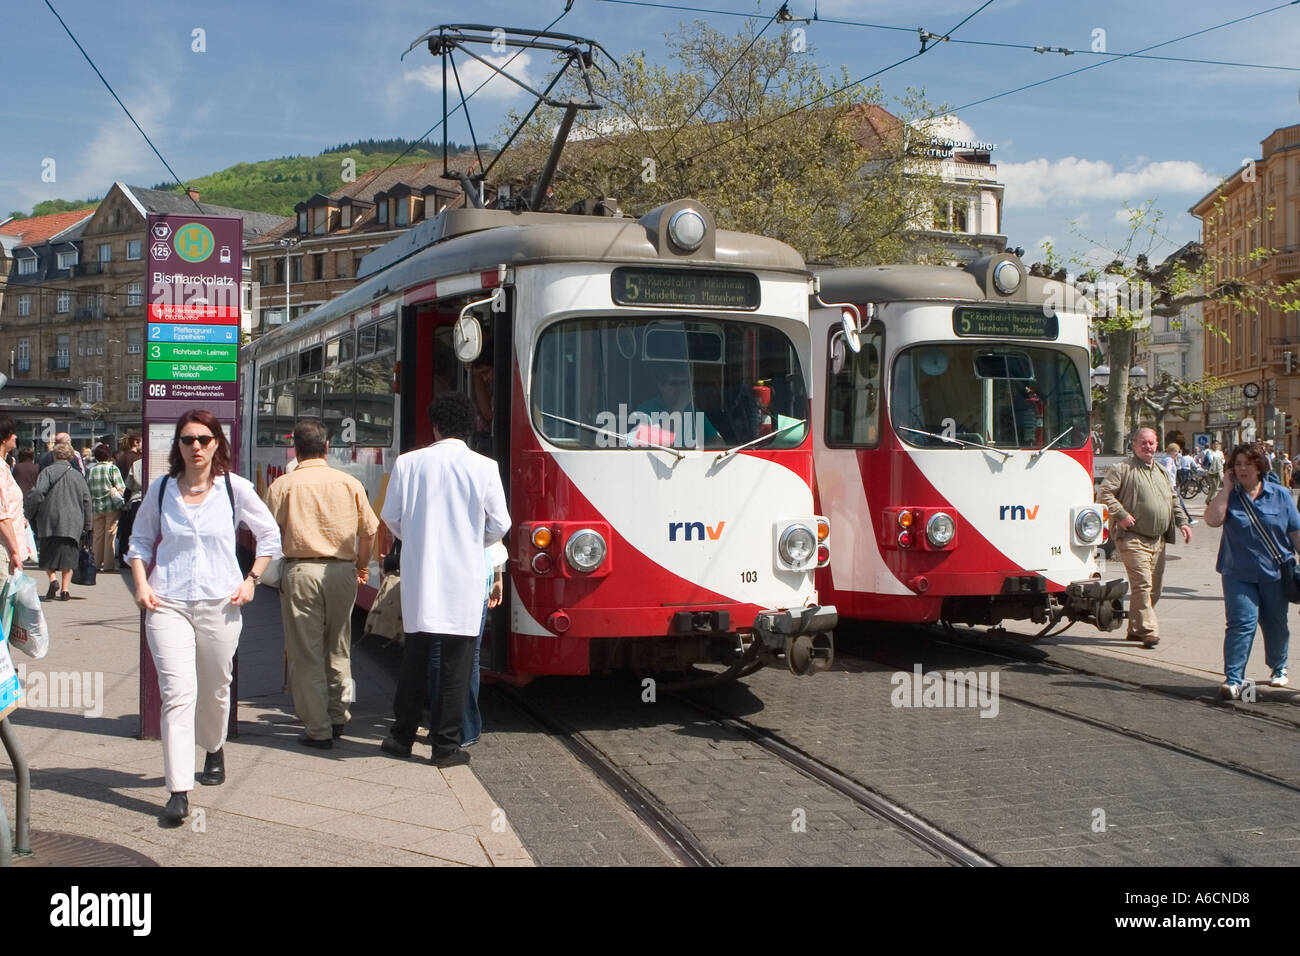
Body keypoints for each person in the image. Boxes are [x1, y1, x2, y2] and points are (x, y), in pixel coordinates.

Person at [127, 411, 280, 824]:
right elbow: (139, 542)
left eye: (204, 439)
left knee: (216, 688)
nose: (196, 447)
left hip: (221, 602)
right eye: (187, 439)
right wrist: (142, 585)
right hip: (167, 602)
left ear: (217, 444)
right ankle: (178, 790)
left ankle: (213, 747)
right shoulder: (160, 491)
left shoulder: (235, 488)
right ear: (176, 446)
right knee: (177, 694)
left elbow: (270, 536)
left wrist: (252, 580)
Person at [380, 393, 509, 768]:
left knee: (415, 659)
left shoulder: (408, 463)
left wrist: (419, 537)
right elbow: (501, 524)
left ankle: (402, 736)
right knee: (456, 663)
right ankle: (445, 746)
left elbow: (392, 517)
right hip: (464, 580)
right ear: (469, 429)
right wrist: (472, 539)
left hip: (422, 576)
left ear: (434, 426)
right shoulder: (484, 467)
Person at [263, 419, 379, 749]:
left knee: (305, 652)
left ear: (295, 451)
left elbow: (268, 534)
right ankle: (339, 715)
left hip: (301, 572)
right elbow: (369, 531)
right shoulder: (349, 483)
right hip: (342, 573)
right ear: (327, 447)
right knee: (338, 647)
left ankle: (318, 728)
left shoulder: (283, 486)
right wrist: (360, 566)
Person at [1203, 442, 1297, 698]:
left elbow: (1295, 533)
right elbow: (1212, 520)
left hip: (1275, 572)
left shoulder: (1280, 495)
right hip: (1237, 574)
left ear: (1260, 466)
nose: (1242, 468)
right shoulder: (1230, 496)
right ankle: (1234, 679)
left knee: (1275, 623)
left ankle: (1279, 667)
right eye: (1238, 464)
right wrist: (1226, 487)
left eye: (1248, 463)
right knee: (1240, 624)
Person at [1097, 427, 1192, 648]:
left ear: (1157, 445)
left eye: (1151, 443)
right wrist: (1121, 514)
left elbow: (1173, 499)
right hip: (1132, 537)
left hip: (1157, 540)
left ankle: (1135, 629)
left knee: (1154, 589)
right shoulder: (1122, 469)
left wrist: (1183, 523)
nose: (1147, 446)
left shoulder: (1161, 471)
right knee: (1142, 584)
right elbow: (1104, 493)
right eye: (1143, 442)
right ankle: (1149, 631)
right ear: (1134, 444)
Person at [32, 443, 92, 601]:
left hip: (49, 520)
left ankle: (53, 580)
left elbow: (38, 492)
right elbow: (87, 501)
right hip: (73, 522)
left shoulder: (47, 472)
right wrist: (88, 525)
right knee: (69, 557)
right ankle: (65, 591)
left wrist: (31, 511)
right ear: (71, 457)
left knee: (48, 554)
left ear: (54, 455)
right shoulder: (78, 476)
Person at [87, 443, 126, 573]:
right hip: (111, 506)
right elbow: (121, 488)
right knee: (110, 535)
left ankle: (96, 563)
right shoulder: (112, 469)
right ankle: (108, 565)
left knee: (97, 535)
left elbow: (88, 489)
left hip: (96, 506)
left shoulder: (91, 470)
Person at [0, 416, 31, 577]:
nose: (16, 437)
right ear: (4, 438)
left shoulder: (5, 466)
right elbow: (2, 517)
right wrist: (14, 551)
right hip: (4, 550)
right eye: (13, 433)